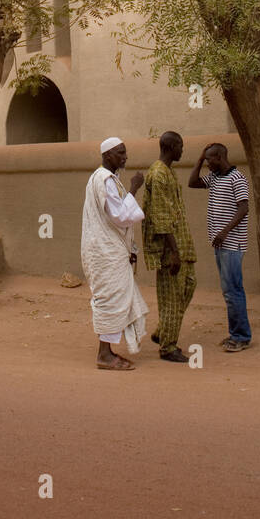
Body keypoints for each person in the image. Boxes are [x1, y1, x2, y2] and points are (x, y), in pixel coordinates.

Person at [80, 137, 148, 371]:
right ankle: (104, 355)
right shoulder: (106, 180)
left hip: (107, 249)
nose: (125, 156)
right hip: (105, 252)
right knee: (111, 298)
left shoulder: (102, 178)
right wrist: (135, 188)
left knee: (116, 296)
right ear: (107, 155)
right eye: (120, 153)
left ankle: (107, 350)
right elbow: (119, 216)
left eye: (125, 152)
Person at [188, 143, 251, 352]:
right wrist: (198, 160)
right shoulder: (215, 178)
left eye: (209, 160)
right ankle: (236, 334)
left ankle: (241, 337)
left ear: (221, 157)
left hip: (232, 244)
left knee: (233, 291)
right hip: (220, 244)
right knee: (229, 291)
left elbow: (244, 208)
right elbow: (193, 183)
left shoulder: (237, 178)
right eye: (205, 160)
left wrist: (224, 231)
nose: (207, 164)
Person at [141, 130, 196, 363]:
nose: (183, 150)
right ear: (171, 146)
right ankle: (168, 347)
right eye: (180, 145)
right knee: (171, 297)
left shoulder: (169, 172)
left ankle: (162, 332)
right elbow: (161, 217)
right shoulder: (158, 174)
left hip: (182, 243)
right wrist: (173, 252)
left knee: (189, 286)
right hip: (169, 248)